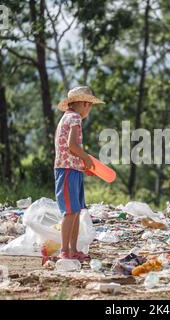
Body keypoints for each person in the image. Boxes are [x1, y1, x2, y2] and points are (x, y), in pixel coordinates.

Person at [54, 86, 104, 261]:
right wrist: (88, 159)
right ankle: (65, 251)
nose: (89, 110)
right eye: (90, 105)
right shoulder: (74, 118)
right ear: (84, 103)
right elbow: (72, 146)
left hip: (72, 169)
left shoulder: (66, 117)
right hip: (67, 171)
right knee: (70, 212)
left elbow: (70, 151)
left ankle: (73, 249)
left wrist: (83, 165)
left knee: (75, 211)